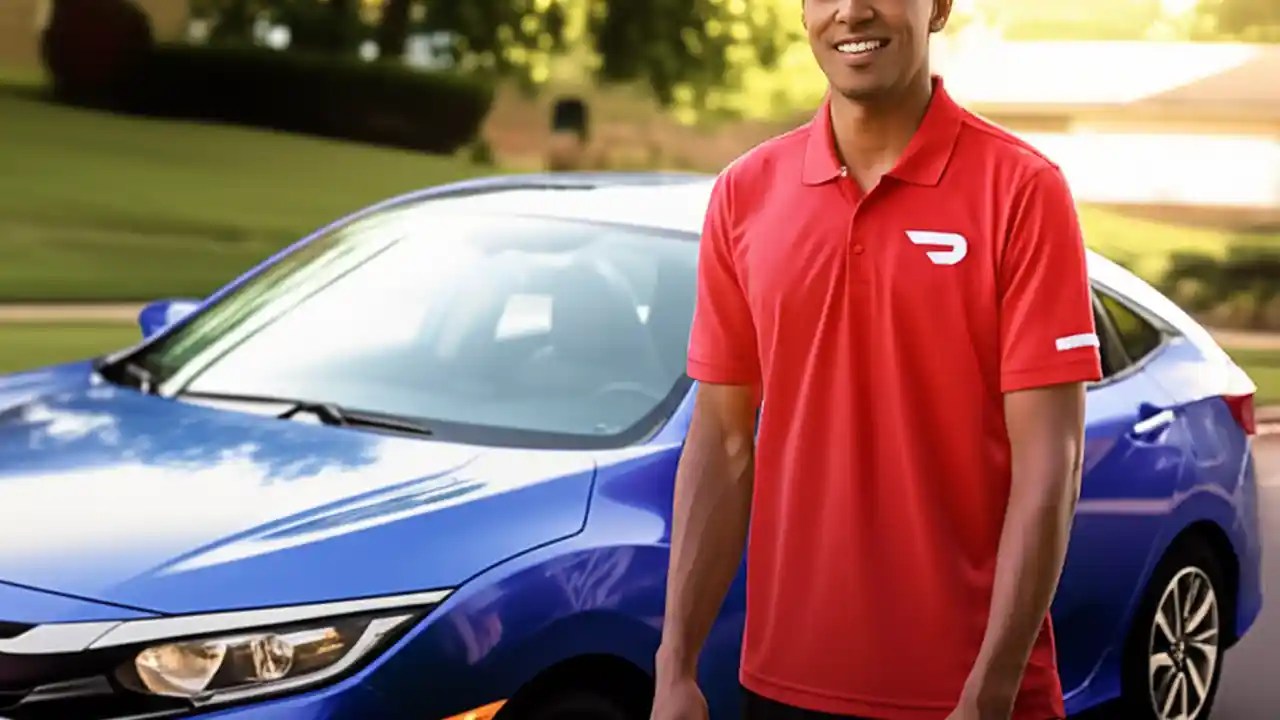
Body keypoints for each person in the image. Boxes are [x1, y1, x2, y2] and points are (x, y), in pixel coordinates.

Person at [650, 0, 1103, 718]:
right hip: (780, 685)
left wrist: (989, 692)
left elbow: (1051, 463)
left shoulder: (1021, 190)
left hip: (967, 696)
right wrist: (675, 667)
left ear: (940, 7)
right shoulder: (745, 194)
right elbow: (723, 439)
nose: (851, 10)